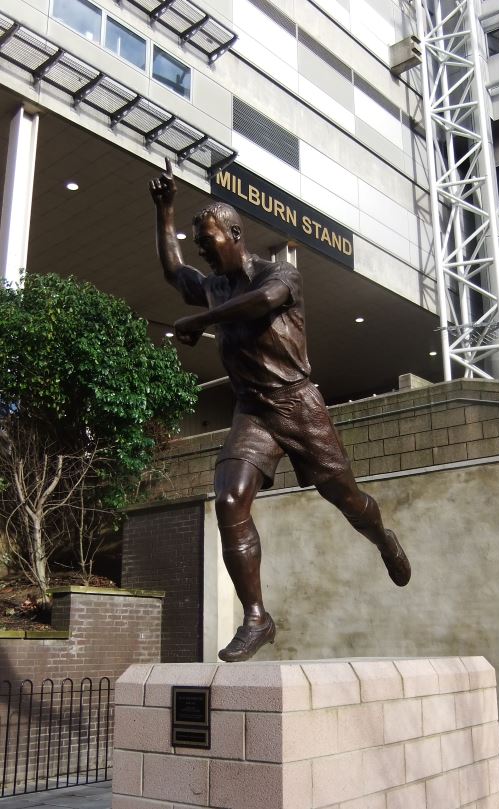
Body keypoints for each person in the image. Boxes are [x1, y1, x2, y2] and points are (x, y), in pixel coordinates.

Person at [149, 159, 411, 662]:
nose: (200, 247)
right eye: (197, 240)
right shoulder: (212, 285)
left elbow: (260, 302)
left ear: (233, 232)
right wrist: (165, 211)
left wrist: (201, 318)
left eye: (206, 238)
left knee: (349, 501)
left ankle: (384, 539)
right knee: (229, 502)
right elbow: (172, 269)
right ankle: (257, 617)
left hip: (299, 405)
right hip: (252, 412)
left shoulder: (280, 274)